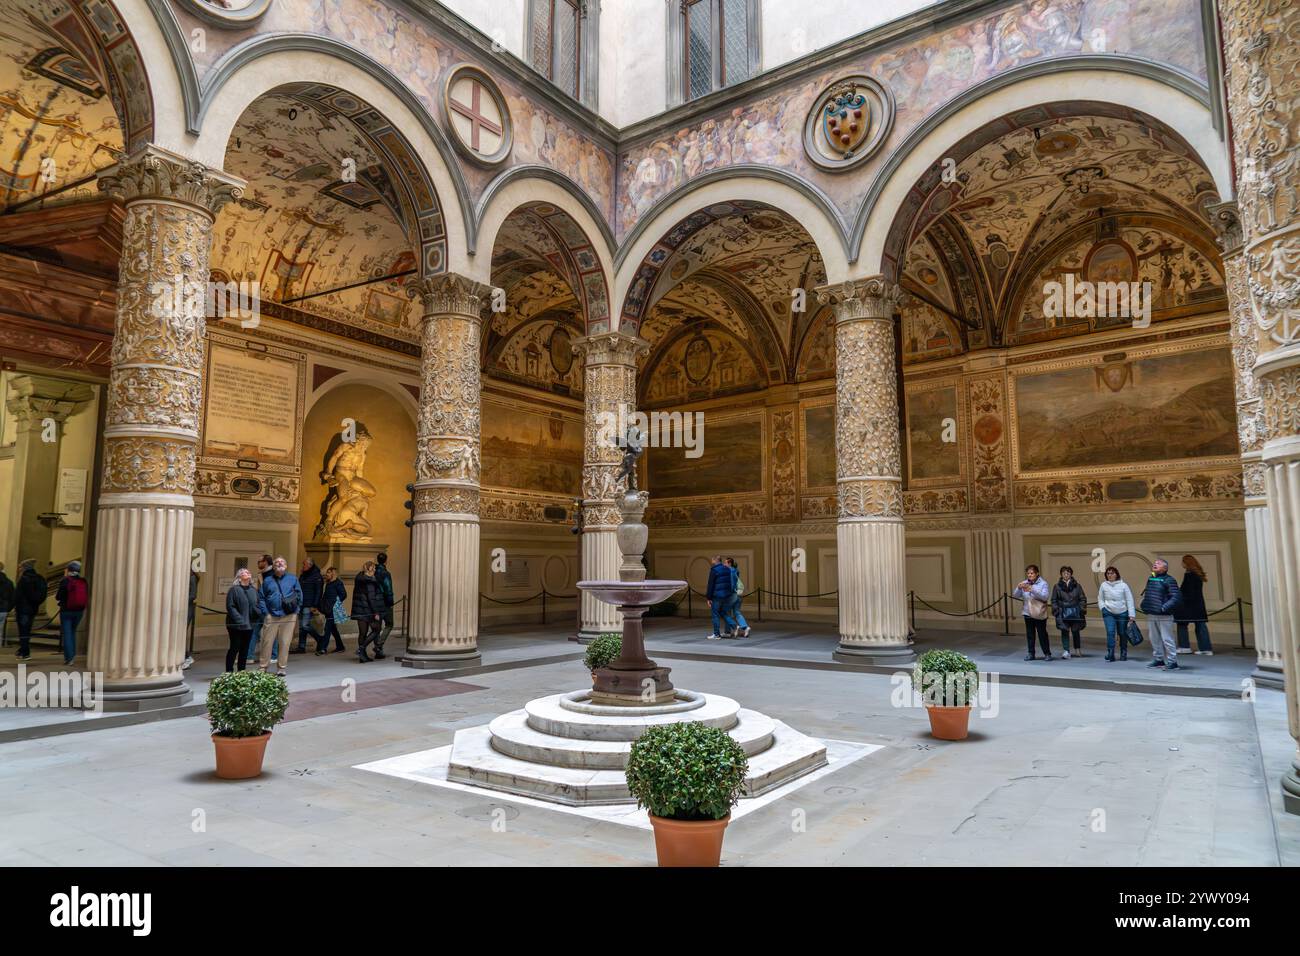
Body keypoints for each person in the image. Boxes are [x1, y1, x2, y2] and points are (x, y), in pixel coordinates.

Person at [257, 556, 302, 677]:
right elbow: (261, 597)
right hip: (271, 615)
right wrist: (265, 612)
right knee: (267, 642)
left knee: (285, 642)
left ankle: (281, 668)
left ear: (286, 566)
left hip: (289, 616)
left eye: (282, 562)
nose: (279, 563)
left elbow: (299, 595)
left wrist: (296, 611)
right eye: (277, 562)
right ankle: (263, 667)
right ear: (273, 566)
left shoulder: (292, 579)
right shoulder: (267, 580)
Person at [1140, 558, 1182, 671]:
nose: (1155, 564)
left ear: (1165, 568)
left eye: (1158, 563)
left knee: (1167, 639)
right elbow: (1148, 594)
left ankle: (1172, 662)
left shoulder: (1169, 580)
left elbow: (1176, 597)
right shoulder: (1151, 578)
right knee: (1154, 638)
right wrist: (1144, 605)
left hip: (1164, 615)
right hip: (1151, 613)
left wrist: (1164, 608)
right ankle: (1159, 659)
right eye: (1154, 563)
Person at [224, 568, 263, 672]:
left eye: (249, 572)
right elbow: (230, 606)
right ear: (239, 577)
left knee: (245, 649)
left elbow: (257, 604)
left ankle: (242, 670)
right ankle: (229, 671)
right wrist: (240, 620)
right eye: (245, 572)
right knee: (235, 647)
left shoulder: (253, 590)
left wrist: (258, 614)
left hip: (250, 625)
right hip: (235, 625)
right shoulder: (234, 590)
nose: (248, 572)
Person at [1175, 554, 1212, 655]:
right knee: (1200, 625)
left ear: (1186, 563)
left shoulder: (1189, 575)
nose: (1181, 564)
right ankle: (1206, 648)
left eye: (1183, 562)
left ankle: (1184, 646)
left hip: (1188, 604)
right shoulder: (1198, 575)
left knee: (1182, 624)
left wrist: (1178, 595)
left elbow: (1186, 591)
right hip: (1198, 603)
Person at [1012, 564, 1051, 661]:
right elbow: (1015, 595)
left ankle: (1047, 653)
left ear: (1037, 573)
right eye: (1028, 573)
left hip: (1039, 613)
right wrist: (1018, 587)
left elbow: (1045, 597)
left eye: (1032, 573)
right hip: (1027, 612)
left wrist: (1032, 589)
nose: (1029, 575)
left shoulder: (1043, 583)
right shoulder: (1025, 582)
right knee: (1030, 635)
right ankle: (1031, 653)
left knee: (1042, 634)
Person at [1097, 566, 1136, 662]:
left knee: (1122, 633)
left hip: (1122, 612)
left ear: (1116, 574)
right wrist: (1103, 608)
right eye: (1108, 573)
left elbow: (1129, 600)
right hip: (1108, 613)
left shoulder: (1124, 585)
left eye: (1112, 573)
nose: (1110, 575)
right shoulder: (1103, 585)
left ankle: (1123, 652)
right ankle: (1110, 653)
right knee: (1110, 632)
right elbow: (1100, 598)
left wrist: (1131, 615)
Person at [54, 561, 88, 666]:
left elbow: (58, 596)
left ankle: (69, 658)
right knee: (72, 632)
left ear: (68, 570)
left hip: (66, 610)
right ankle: (72, 655)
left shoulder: (65, 581)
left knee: (67, 634)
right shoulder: (83, 580)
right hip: (79, 610)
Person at [14, 558, 48, 662]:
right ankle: (22, 650)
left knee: (23, 631)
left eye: (20, 567)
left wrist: (10, 607)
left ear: (24, 568)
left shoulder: (24, 579)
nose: (19, 569)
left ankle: (25, 652)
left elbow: (17, 596)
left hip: (23, 609)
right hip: (33, 609)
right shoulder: (39, 578)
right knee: (27, 630)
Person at [1050, 565, 1087, 659]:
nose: (1066, 575)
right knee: (1064, 631)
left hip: (1075, 611)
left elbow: (1082, 598)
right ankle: (1066, 650)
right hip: (1062, 611)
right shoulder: (1057, 586)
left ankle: (1077, 649)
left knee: (1076, 631)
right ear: (1061, 574)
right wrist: (1056, 610)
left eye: (1068, 573)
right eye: (1064, 573)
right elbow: (1054, 600)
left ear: (1071, 574)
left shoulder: (1077, 586)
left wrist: (1081, 609)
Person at [352, 560, 384, 662]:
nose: (375, 570)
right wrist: (376, 612)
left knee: (362, 633)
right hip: (368, 610)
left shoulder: (359, 578)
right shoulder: (370, 581)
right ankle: (361, 649)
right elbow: (371, 598)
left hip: (359, 609)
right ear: (370, 569)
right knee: (376, 629)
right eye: (374, 568)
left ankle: (362, 656)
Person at [294, 558, 326, 654]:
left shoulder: (317, 576)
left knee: (305, 625)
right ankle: (301, 647)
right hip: (301, 603)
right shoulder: (304, 575)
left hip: (309, 604)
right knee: (301, 627)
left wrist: (315, 605)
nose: (302, 566)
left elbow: (319, 592)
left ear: (310, 565)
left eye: (304, 565)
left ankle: (320, 638)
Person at [245, 554, 273, 661]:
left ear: (265, 562)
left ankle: (273, 656)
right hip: (260, 607)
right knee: (254, 631)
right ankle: (249, 656)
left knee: (271, 631)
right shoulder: (261, 574)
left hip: (268, 607)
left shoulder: (272, 574)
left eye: (259, 561)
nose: (258, 563)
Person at [704, 556, 737, 640]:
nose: (711, 560)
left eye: (712, 559)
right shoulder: (726, 569)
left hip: (717, 596)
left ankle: (716, 634)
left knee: (715, 615)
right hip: (726, 595)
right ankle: (734, 626)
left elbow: (710, 584)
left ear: (715, 560)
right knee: (723, 612)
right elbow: (729, 583)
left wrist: (708, 598)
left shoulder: (714, 570)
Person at [318, 566, 348, 655]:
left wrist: (336, 603)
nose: (326, 574)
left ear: (333, 574)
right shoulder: (328, 583)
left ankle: (323, 648)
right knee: (333, 629)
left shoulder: (338, 583)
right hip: (327, 609)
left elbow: (343, 594)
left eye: (328, 572)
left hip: (332, 609)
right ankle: (340, 646)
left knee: (327, 628)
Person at [373, 552, 396, 659]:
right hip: (384, 602)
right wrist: (390, 603)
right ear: (386, 560)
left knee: (377, 627)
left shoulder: (373, 572)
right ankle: (379, 645)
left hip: (375, 602)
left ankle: (378, 651)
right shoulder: (385, 573)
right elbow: (388, 589)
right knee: (389, 624)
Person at [723, 557, 751, 638]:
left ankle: (728, 631)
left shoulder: (730, 571)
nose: (724, 564)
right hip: (738, 594)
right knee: (737, 612)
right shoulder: (736, 571)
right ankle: (745, 627)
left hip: (733, 594)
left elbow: (732, 584)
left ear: (729, 563)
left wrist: (729, 593)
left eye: (725, 563)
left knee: (726, 612)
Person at [0, 563, 14, 648]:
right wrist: (8, 608)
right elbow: (12, 597)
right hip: (3, 609)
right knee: (0, 631)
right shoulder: (9, 582)